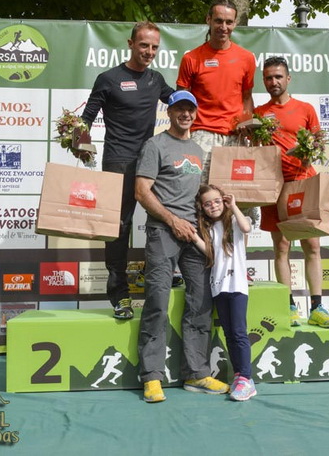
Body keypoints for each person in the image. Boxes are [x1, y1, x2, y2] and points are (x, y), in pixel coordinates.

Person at [135, 90, 229, 403]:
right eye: (180, 109)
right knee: (158, 302)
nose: (185, 114)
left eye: (190, 110)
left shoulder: (196, 150)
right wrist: (172, 220)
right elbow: (141, 191)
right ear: (170, 112)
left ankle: (197, 373)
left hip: (194, 234)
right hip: (164, 230)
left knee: (201, 302)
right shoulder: (155, 144)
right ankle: (151, 377)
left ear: (195, 113)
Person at [81, 21, 174, 319]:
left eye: (154, 47)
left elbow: (181, 103)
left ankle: (161, 273)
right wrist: (79, 142)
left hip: (150, 161)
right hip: (118, 162)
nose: (149, 52)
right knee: (118, 228)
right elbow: (84, 121)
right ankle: (120, 296)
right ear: (130, 43)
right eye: (144, 45)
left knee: (163, 219)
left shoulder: (156, 80)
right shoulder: (109, 78)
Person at [254, 57, 329, 329]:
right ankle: (288, 306)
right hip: (274, 186)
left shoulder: (305, 108)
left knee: (312, 246)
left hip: (303, 182)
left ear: (288, 79)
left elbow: (318, 141)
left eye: (278, 77)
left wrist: (308, 152)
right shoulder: (259, 113)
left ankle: (317, 307)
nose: (273, 82)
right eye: (268, 78)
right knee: (281, 247)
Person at [177, 0, 256, 179]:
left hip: (235, 135)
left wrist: (247, 124)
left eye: (229, 22)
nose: (223, 27)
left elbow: (247, 97)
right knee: (197, 194)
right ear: (208, 20)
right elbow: (181, 101)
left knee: (238, 198)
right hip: (201, 134)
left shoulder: (246, 58)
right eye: (219, 21)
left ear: (235, 24)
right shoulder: (191, 58)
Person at [193, 185, 256, 401]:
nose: (213, 206)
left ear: (224, 201)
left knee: (239, 332)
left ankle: (246, 379)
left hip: (237, 285)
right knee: (229, 333)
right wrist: (194, 237)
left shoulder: (233, 222)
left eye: (217, 201)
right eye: (208, 203)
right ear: (202, 207)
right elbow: (212, 252)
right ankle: (239, 375)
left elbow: (247, 228)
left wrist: (235, 206)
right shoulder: (208, 227)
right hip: (218, 287)